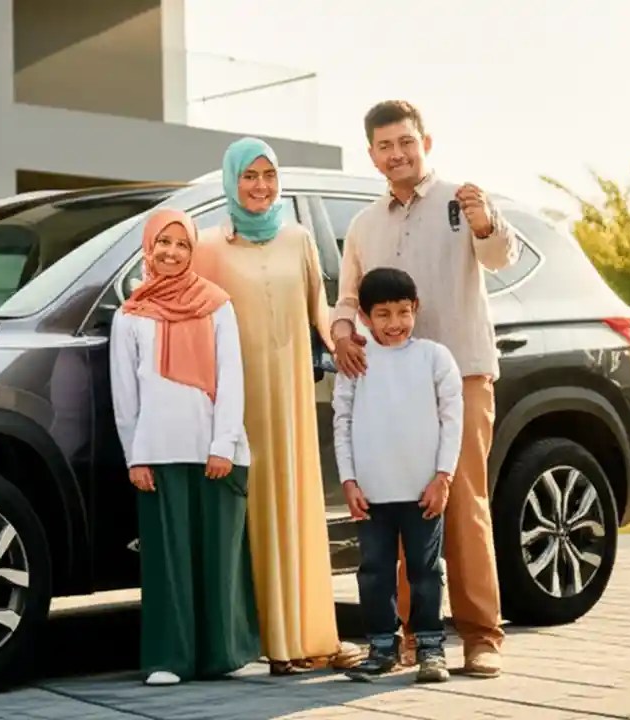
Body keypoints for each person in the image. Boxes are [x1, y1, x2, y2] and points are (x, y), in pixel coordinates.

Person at [331, 100, 520, 678]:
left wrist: (486, 221)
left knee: (462, 504)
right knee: (401, 505)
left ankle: (482, 635)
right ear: (372, 154)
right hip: (391, 386)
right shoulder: (364, 225)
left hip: (460, 371)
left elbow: (499, 256)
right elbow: (347, 299)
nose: (397, 154)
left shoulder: (461, 202)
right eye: (385, 146)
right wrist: (341, 332)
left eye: (406, 142)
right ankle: (415, 640)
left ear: (425, 142)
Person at [193, 136, 364, 675]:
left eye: (268, 175)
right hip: (237, 400)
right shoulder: (208, 246)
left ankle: (310, 638)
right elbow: (191, 313)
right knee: (252, 511)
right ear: (232, 181)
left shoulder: (298, 239)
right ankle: (266, 641)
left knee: (297, 506)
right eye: (250, 176)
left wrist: (344, 343)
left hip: (291, 395)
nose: (261, 186)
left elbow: (320, 305)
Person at [111, 208, 261, 686]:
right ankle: (168, 659)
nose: (172, 253)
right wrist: (135, 455)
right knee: (166, 561)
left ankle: (222, 654)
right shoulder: (130, 314)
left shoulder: (217, 304)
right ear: (148, 248)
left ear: (193, 250)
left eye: (182, 245)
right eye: (163, 243)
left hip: (214, 450)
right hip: (158, 451)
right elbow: (124, 395)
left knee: (219, 555)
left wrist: (224, 443)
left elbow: (232, 377)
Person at [332, 267, 463, 684]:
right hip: (371, 492)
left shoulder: (434, 358)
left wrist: (443, 477)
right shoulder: (357, 360)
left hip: (423, 490)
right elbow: (343, 421)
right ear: (365, 318)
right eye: (383, 315)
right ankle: (382, 648)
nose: (395, 324)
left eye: (403, 312)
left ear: (416, 309)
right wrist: (349, 480)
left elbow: (452, 420)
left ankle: (429, 647)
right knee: (374, 572)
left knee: (425, 572)